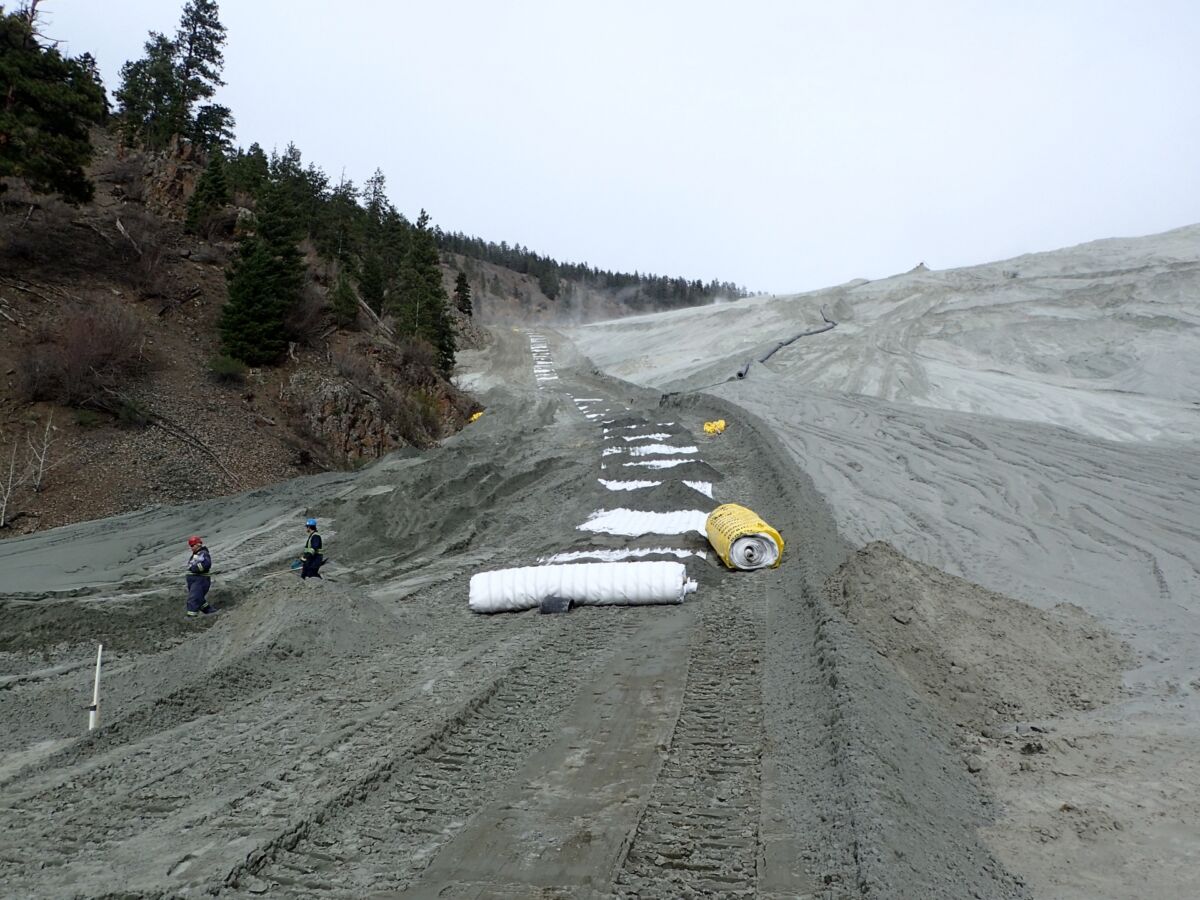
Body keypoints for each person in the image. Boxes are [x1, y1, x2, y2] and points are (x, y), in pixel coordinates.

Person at [185, 536, 217, 617]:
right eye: (190, 546)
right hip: (194, 581)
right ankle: (210, 611)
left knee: (194, 599)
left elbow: (206, 564)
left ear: (198, 544)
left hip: (200, 580)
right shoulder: (195, 555)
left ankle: (191, 618)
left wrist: (194, 568)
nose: (191, 548)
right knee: (199, 599)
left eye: (192, 546)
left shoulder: (203, 553)